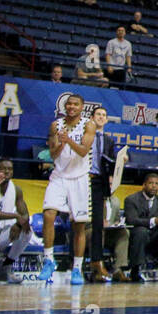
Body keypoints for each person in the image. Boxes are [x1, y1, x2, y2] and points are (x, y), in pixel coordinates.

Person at [35, 94, 95, 283]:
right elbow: (52, 155)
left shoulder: (88, 124)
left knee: (78, 225)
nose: (71, 107)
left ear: (81, 107)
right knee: (48, 215)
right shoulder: (56, 125)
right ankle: (48, 260)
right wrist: (60, 144)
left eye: (75, 104)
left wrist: (68, 140)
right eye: (69, 104)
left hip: (79, 178)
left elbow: (84, 151)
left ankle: (77, 268)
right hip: (59, 176)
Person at [84, 106, 120, 282]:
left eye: (104, 115)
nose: (101, 117)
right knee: (79, 221)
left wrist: (120, 162)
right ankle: (71, 265)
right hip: (82, 179)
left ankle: (97, 263)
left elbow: (111, 163)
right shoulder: (84, 135)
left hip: (99, 182)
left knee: (98, 224)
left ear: (106, 120)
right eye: (98, 114)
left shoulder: (108, 140)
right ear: (91, 117)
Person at [124, 173, 158, 281]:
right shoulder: (131, 199)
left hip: (156, 235)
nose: (154, 186)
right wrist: (155, 220)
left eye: (156, 184)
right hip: (138, 236)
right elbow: (131, 220)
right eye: (151, 183)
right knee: (141, 231)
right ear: (144, 185)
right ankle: (136, 270)